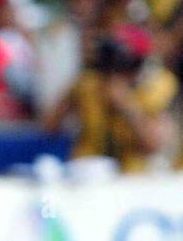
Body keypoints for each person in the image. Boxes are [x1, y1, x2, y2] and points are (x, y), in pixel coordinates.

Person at [43, 24, 178, 173]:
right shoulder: (88, 83)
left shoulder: (159, 86)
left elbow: (153, 145)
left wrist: (126, 106)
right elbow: (49, 126)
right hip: (87, 175)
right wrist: (71, 95)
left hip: (135, 180)